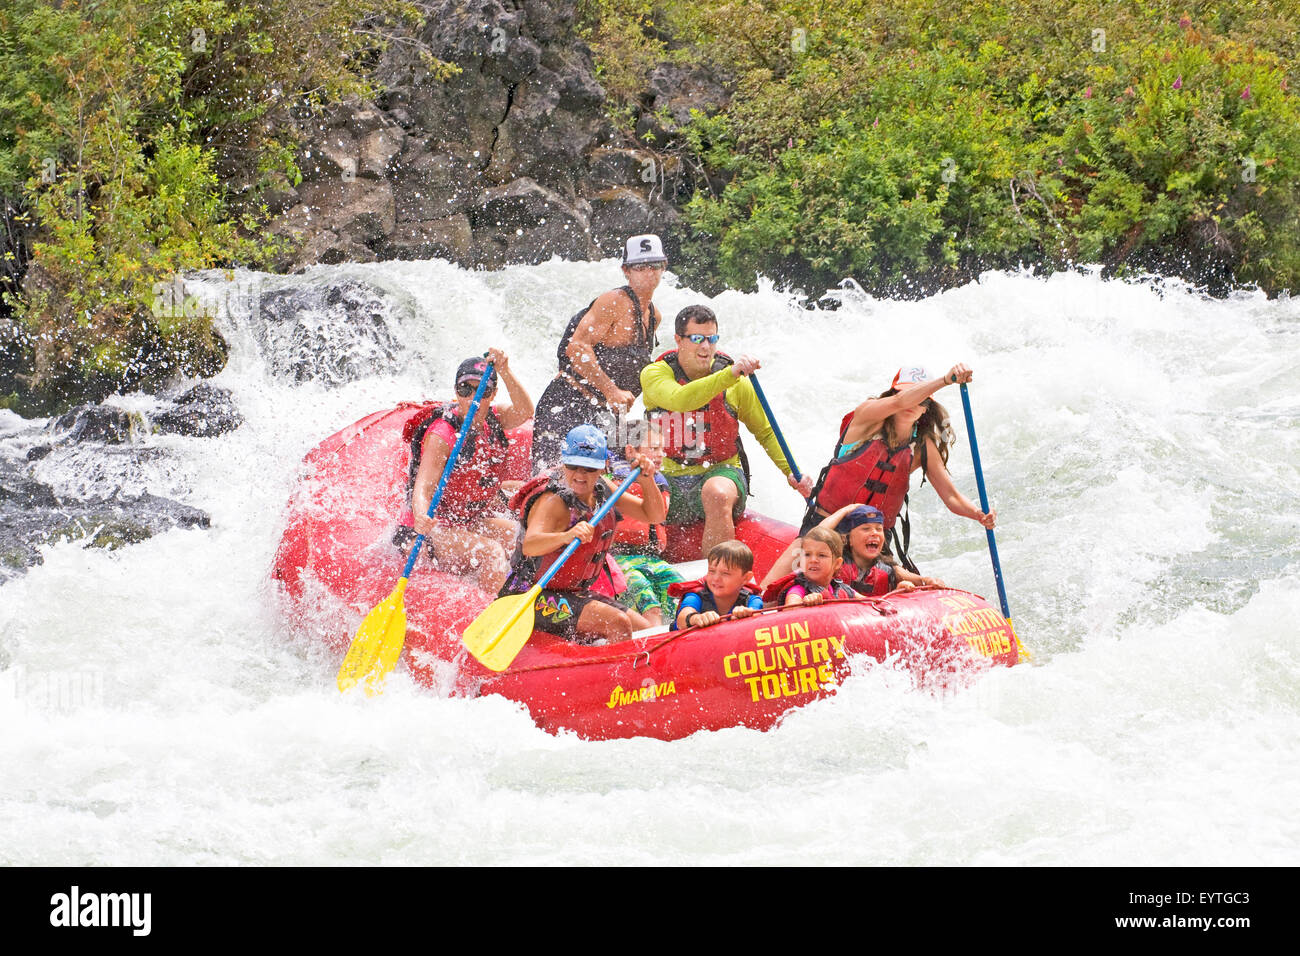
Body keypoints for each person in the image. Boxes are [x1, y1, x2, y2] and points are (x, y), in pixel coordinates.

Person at [640, 304, 813, 555]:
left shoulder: (736, 383)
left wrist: (791, 472)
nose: (705, 347)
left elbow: (765, 431)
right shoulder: (655, 374)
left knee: (717, 493)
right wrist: (730, 374)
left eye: (712, 339)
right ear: (678, 339)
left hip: (720, 473)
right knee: (631, 487)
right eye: (697, 338)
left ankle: (715, 579)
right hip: (667, 478)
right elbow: (681, 399)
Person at [800, 364, 996, 571]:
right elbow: (899, 402)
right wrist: (945, 381)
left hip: (872, 542)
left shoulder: (921, 446)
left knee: (896, 579)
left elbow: (952, 497)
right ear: (894, 394)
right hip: (826, 527)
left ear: (926, 408)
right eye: (907, 393)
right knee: (800, 566)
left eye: (920, 400)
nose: (911, 403)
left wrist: (978, 514)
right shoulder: (868, 416)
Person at [499, 424, 666, 644]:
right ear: (564, 462)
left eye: (588, 469)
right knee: (617, 623)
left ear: (602, 468)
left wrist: (647, 480)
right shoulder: (553, 501)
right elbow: (531, 544)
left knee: (645, 630)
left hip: (572, 593)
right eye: (573, 466)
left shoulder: (602, 489)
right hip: (530, 595)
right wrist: (566, 536)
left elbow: (652, 515)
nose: (579, 475)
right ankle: (617, 678)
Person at [396, 349, 533, 592]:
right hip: (431, 531)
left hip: (466, 522)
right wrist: (421, 516)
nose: (473, 398)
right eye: (465, 390)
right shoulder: (443, 433)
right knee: (492, 552)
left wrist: (505, 371)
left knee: (521, 536)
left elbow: (525, 411)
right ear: (456, 392)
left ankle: (523, 597)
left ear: (492, 394)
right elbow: (424, 487)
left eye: (482, 390)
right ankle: (490, 620)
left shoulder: (494, 419)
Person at [531, 234, 667, 469]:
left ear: (663, 268)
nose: (649, 272)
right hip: (568, 404)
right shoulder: (613, 301)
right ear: (626, 270)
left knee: (606, 480)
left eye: (655, 265)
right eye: (641, 266)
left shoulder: (654, 316)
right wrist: (611, 391)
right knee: (552, 479)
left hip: (603, 415)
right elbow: (577, 348)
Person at [762, 504, 943, 595]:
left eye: (878, 529)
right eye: (866, 529)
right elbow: (816, 535)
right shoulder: (834, 563)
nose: (874, 534)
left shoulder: (887, 568)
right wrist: (845, 510)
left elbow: (920, 581)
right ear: (847, 538)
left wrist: (926, 581)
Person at [669, 540, 764, 631]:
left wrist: (747, 613)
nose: (716, 578)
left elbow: (759, 618)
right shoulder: (696, 596)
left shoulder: (751, 600)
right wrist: (696, 618)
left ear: (746, 578)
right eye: (712, 571)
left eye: (725, 573)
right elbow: (681, 619)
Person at [761, 527, 857, 607]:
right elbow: (790, 610)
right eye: (807, 555)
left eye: (821, 555)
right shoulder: (798, 589)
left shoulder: (842, 589)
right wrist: (805, 604)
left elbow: (869, 602)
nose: (813, 560)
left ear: (837, 564)